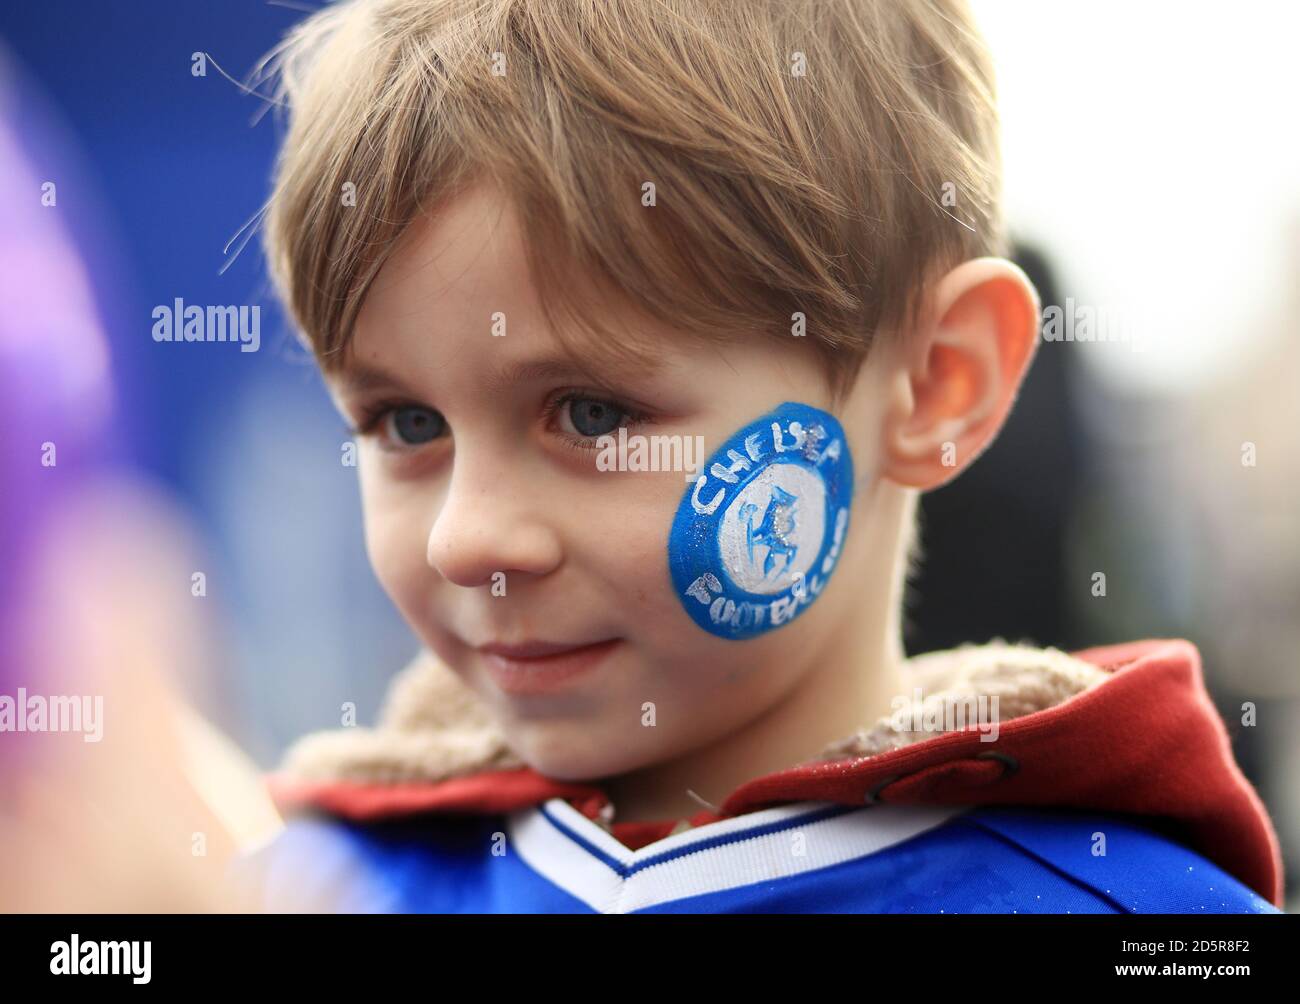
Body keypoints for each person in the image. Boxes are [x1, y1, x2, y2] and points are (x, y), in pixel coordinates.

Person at [233, 0, 1282, 913]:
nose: (469, 537)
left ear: (934, 383)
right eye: (406, 424)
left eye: (591, 413)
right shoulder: (292, 888)